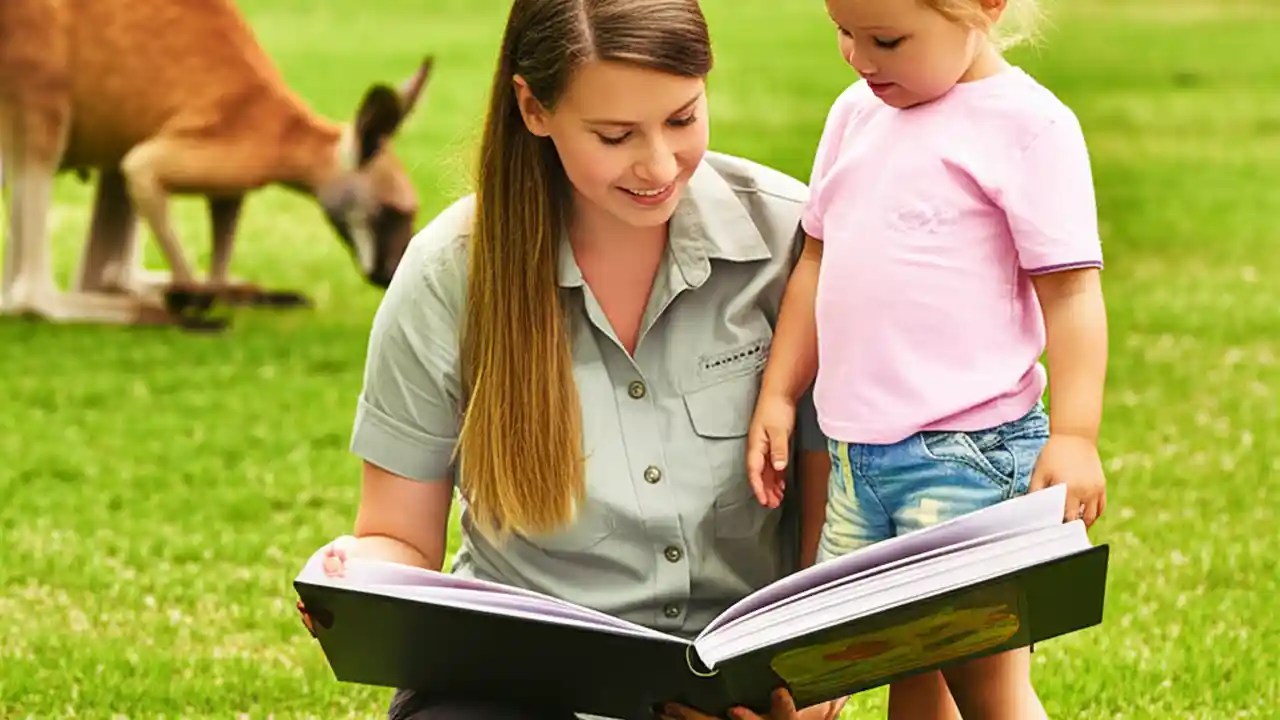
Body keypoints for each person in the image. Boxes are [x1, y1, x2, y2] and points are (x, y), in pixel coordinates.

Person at [294, 1, 892, 718]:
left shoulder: (793, 246)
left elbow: (833, 520)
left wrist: (809, 684)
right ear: (533, 108)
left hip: (737, 692)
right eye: (615, 136)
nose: (659, 165)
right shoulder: (447, 274)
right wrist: (361, 575)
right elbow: (398, 535)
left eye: (682, 118)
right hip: (512, 689)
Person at [746, 0, 1109, 718]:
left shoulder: (1028, 128)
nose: (858, 57)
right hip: (859, 461)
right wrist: (780, 392)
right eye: (843, 33)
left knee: (982, 678)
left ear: (984, 8)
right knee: (862, 666)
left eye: (885, 39)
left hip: (970, 456)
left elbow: (1070, 294)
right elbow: (817, 261)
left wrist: (1074, 434)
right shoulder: (855, 115)